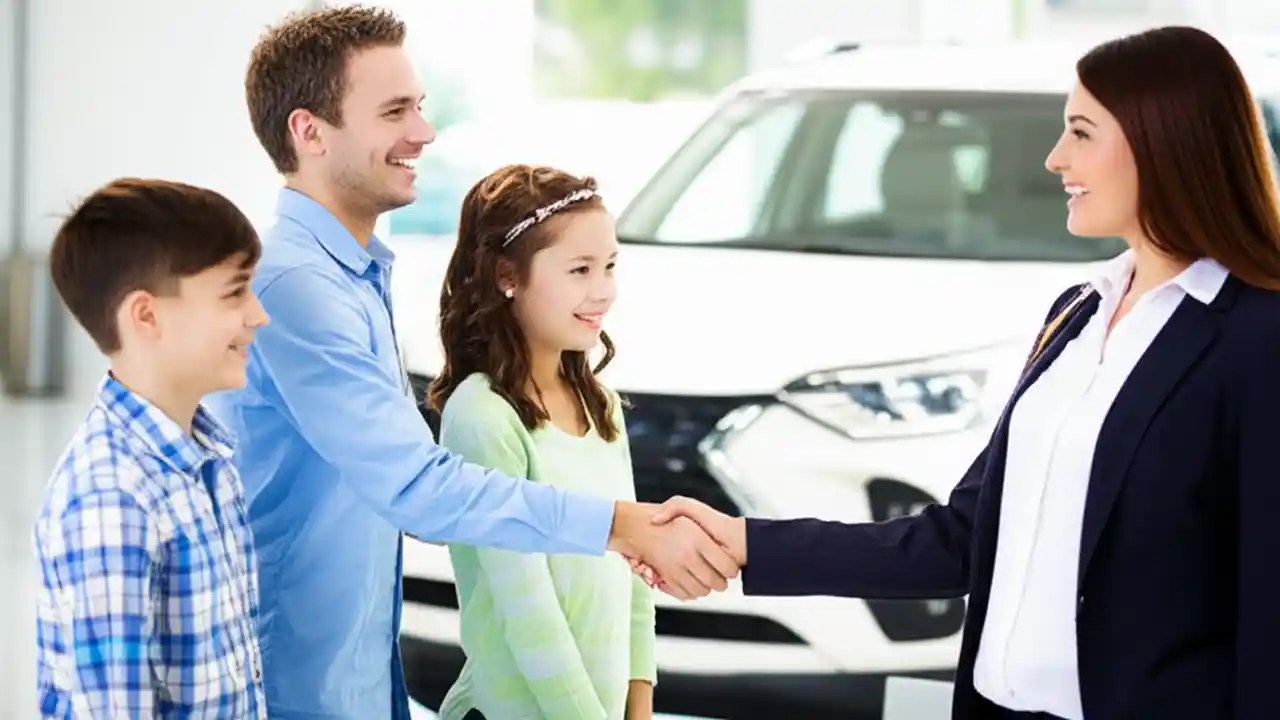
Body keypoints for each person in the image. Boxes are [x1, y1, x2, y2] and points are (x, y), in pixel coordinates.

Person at [651, 25, 1280, 720]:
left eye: (1080, 132)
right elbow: (960, 541)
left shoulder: (1256, 336)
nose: (1054, 158)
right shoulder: (1079, 312)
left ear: (1162, 142)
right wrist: (743, 542)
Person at [208, 6, 734, 718]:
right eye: (395, 111)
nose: (423, 131)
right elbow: (416, 489)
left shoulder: (351, 275)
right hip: (298, 680)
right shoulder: (296, 287)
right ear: (310, 132)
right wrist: (617, 524)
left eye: (420, 107)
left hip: (354, 671)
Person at [33, 178, 271, 718]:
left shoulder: (208, 460)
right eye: (235, 293)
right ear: (146, 316)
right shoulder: (110, 499)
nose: (259, 315)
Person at [429, 165, 656, 720]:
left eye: (609, 267)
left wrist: (639, 705)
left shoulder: (600, 403)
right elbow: (527, 609)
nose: (602, 291)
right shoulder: (482, 415)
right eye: (579, 269)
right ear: (508, 275)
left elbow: (635, 570)